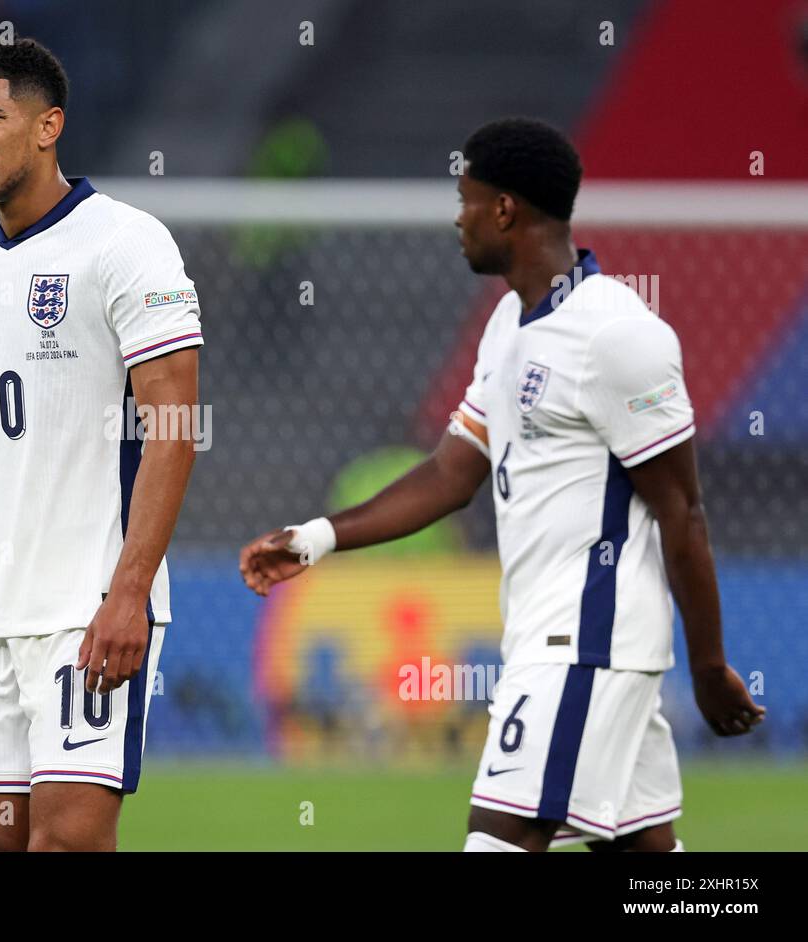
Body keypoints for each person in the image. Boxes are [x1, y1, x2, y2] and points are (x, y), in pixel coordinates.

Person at [239, 117, 764, 852]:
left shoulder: (616, 334)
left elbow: (682, 511)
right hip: (555, 641)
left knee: (496, 841)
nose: (459, 219)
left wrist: (709, 667)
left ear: (506, 210)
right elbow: (452, 474)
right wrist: (320, 537)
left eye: (467, 200)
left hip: (583, 644)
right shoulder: (509, 327)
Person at [0, 37, 203, 851]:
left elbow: (174, 427)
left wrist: (128, 591)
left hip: (86, 601)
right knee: (0, 840)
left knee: (65, 841)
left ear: (47, 125)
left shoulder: (126, 243)